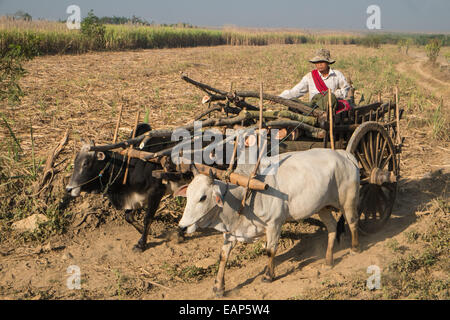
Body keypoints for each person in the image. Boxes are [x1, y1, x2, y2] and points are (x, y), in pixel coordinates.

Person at [279, 48, 352, 114]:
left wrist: (334, 95)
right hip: (312, 109)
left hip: (329, 110)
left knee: (331, 98)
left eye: (322, 61)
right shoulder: (310, 76)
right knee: (293, 103)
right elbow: (296, 91)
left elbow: (345, 88)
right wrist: (279, 98)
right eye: (317, 62)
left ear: (328, 62)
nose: (319, 64)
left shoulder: (337, 75)